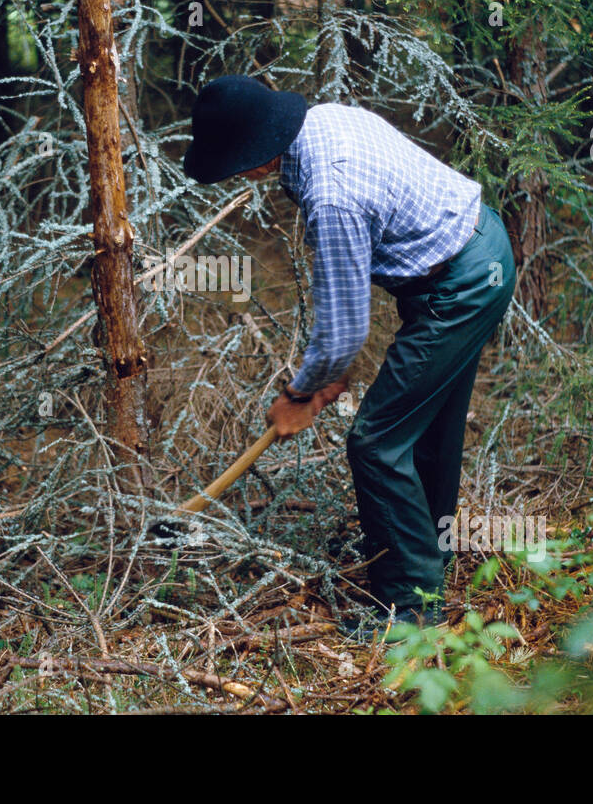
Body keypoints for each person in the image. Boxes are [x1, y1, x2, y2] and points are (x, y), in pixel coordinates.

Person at [183, 75, 516, 634]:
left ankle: (411, 615)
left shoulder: (331, 192)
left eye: (235, 165)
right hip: (479, 253)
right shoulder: (323, 121)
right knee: (424, 428)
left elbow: (343, 332)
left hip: (462, 285)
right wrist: (326, 377)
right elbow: (347, 312)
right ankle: (429, 559)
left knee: (375, 443)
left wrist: (298, 394)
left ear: (259, 160)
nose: (235, 175)